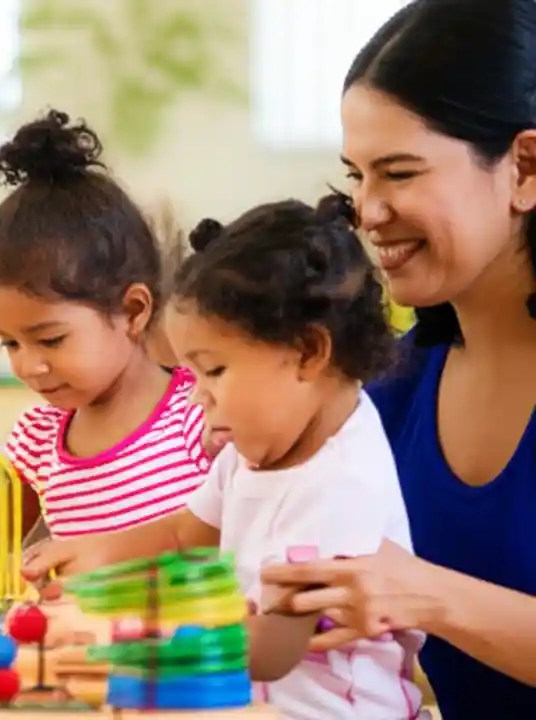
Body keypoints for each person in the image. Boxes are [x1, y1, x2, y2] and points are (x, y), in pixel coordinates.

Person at [25, 194, 423, 717]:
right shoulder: (255, 451)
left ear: (307, 352)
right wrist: (92, 554)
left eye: (214, 371)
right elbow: (182, 537)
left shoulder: (343, 486)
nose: (196, 396)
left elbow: (272, 649)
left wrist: (122, 639)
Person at [253, 1, 536, 717]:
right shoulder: (388, 391)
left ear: (525, 167)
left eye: (400, 173)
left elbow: (407, 590)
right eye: (357, 176)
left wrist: (427, 593)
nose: (366, 211)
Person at [0, 110, 216, 562]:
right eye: (10, 343)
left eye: (50, 340)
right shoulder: (38, 439)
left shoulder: (200, 420)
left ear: (132, 311)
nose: (27, 366)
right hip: (80, 634)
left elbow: (233, 535)